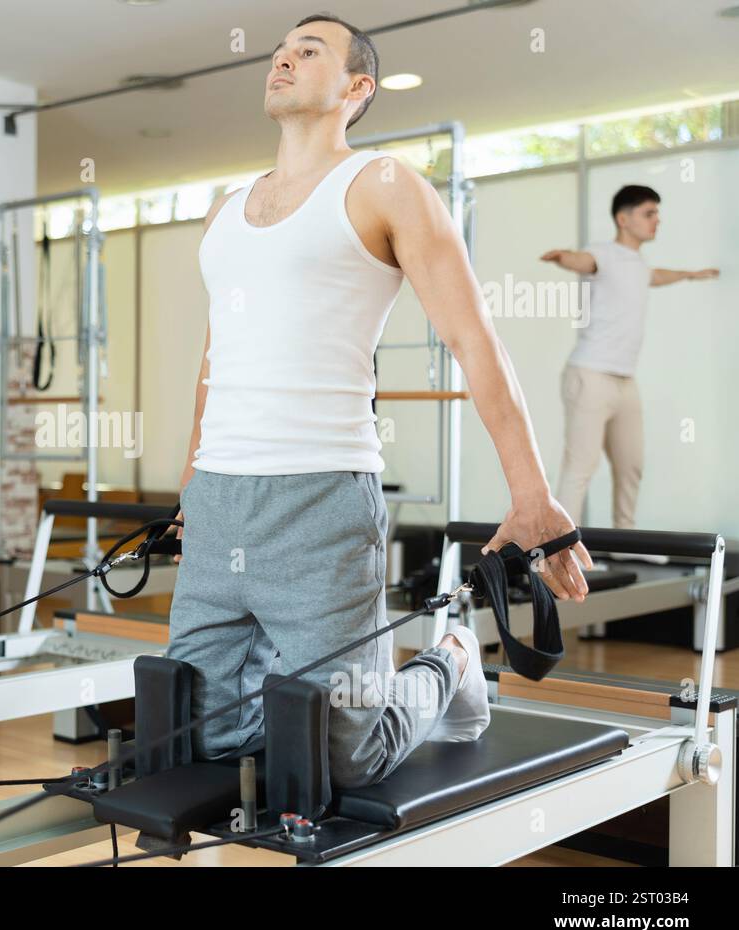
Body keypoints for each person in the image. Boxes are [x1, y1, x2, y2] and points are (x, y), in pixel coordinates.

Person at [167, 14, 592, 789]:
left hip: (322, 500)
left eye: (308, 51)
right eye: (278, 50)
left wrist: (533, 495)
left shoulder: (383, 187)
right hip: (221, 498)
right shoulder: (223, 212)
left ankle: (452, 659)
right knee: (206, 737)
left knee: (348, 757)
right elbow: (212, 362)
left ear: (357, 88)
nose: (283, 60)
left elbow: (476, 343)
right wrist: (191, 483)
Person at [542, 186, 719, 530]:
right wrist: (564, 256)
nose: (657, 220)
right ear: (623, 219)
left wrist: (688, 274)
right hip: (590, 375)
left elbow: (653, 276)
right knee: (580, 466)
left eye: (657, 213)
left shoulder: (639, 263)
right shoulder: (602, 253)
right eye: (649, 213)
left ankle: (626, 540)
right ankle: (559, 551)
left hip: (625, 381)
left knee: (631, 465)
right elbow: (583, 261)